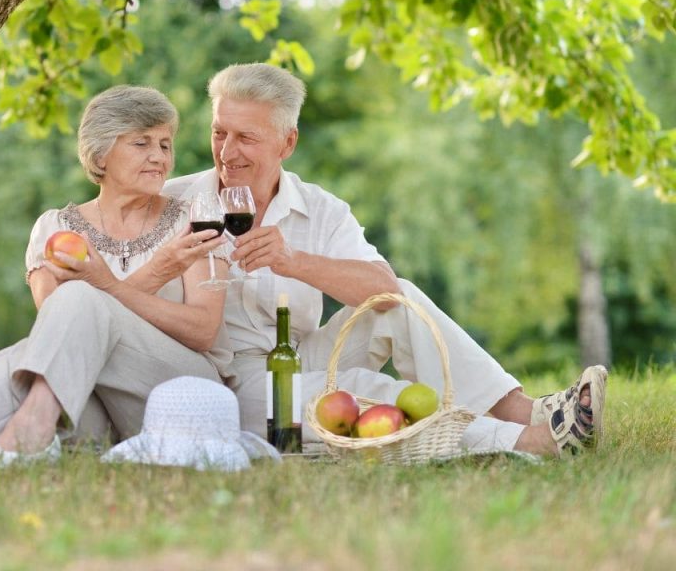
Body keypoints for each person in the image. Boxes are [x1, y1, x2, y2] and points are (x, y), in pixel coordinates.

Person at [160, 63, 606, 458]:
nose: (226, 152)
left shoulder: (321, 208)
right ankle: (527, 441)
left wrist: (293, 260)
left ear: (287, 142)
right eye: (220, 132)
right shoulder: (173, 202)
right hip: (231, 381)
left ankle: (525, 411)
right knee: (363, 392)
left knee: (401, 298)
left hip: (299, 356)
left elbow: (384, 289)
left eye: (246, 138)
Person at [0, 85, 233, 466]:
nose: (159, 156)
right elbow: (57, 326)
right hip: (90, 406)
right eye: (142, 143)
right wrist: (148, 274)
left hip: (177, 398)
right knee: (52, 335)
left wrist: (112, 283)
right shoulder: (57, 229)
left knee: (75, 300)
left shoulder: (193, 222)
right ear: (100, 154)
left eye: (164, 144)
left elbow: (203, 330)